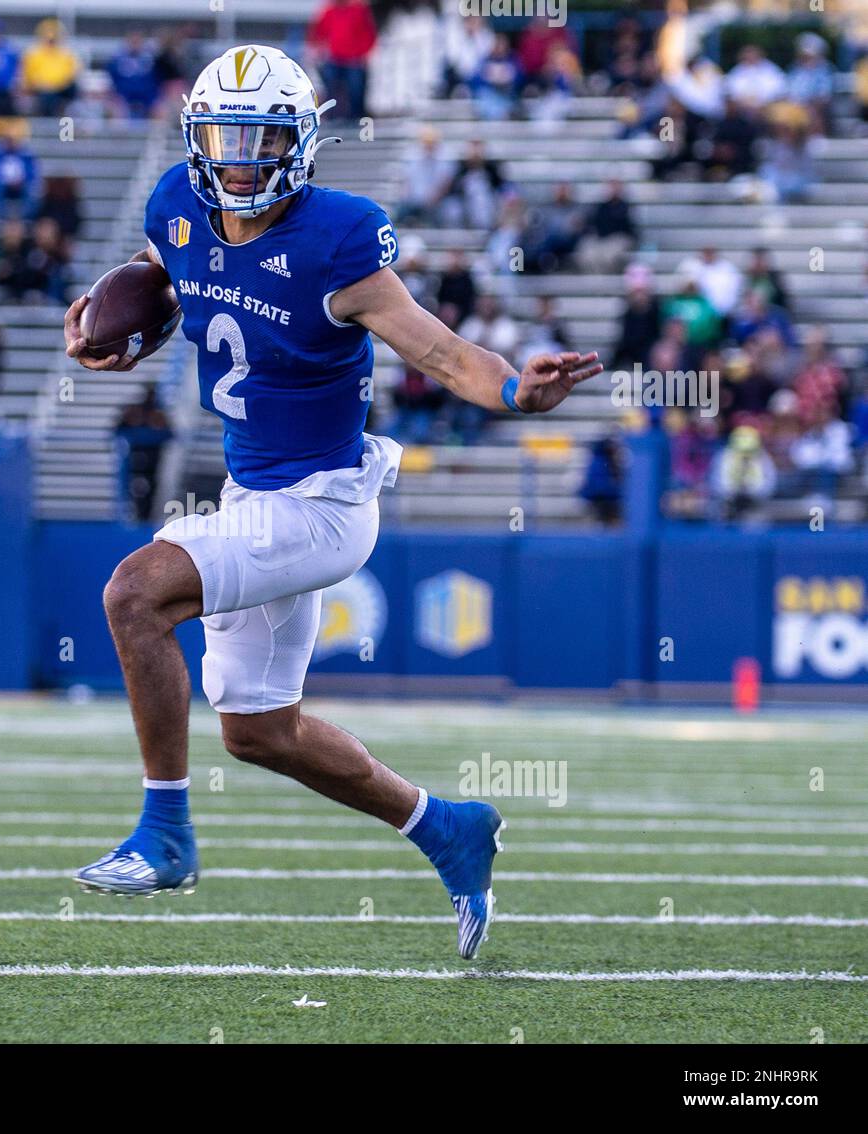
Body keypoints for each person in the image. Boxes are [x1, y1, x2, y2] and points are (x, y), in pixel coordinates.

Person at [60, 44, 603, 959]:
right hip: (249, 492)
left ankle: (165, 833)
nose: (238, 157)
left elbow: (437, 352)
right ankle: (448, 828)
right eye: (223, 136)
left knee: (133, 593)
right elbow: (164, 272)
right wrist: (116, 320)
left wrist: (514, 391)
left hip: (321, 506)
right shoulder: (177, 206)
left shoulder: (338, 240)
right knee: (260, 733)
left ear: (300, 143)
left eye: (259, 137)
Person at [307, 0, 377, 120]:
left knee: (356, 90)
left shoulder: (359, 10)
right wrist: (318, 50)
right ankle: (333, 117)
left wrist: (363, 53)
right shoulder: (329, 11)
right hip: (334, 58)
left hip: (354, 60)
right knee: (330, 88)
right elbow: (317, 33)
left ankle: (356, 118)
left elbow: (369, 34)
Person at [115, 385, 173, 522]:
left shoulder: (158, 416)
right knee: (136, 490)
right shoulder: (133, 413)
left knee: (149, 491)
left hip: (153, 461)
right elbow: (119, 431)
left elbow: (170, 434)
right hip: (136, 461)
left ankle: (144, 518)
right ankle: (136, 517)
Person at [21, 18, 79, 117]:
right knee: (47, 97)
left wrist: (56, 85)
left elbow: (72, 74)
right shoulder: (33, 54)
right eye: (49, 39)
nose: (51, 42)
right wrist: (45, 85)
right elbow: (30, 76)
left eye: (54, 39)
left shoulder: (66, 54)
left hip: (61, 88)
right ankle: (49, 125)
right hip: (41, 89)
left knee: (72, 90)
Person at [107, 32, 160, 119]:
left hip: (147, 95)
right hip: (123, 94)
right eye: (133, 42)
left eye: (137, 42)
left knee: (159, 110)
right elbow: (112, 78)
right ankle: (121, 132)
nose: (135, 45)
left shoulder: (151, 60)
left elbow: (157, 79)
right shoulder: (117, 60)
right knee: (116, 110)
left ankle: (157, 132)